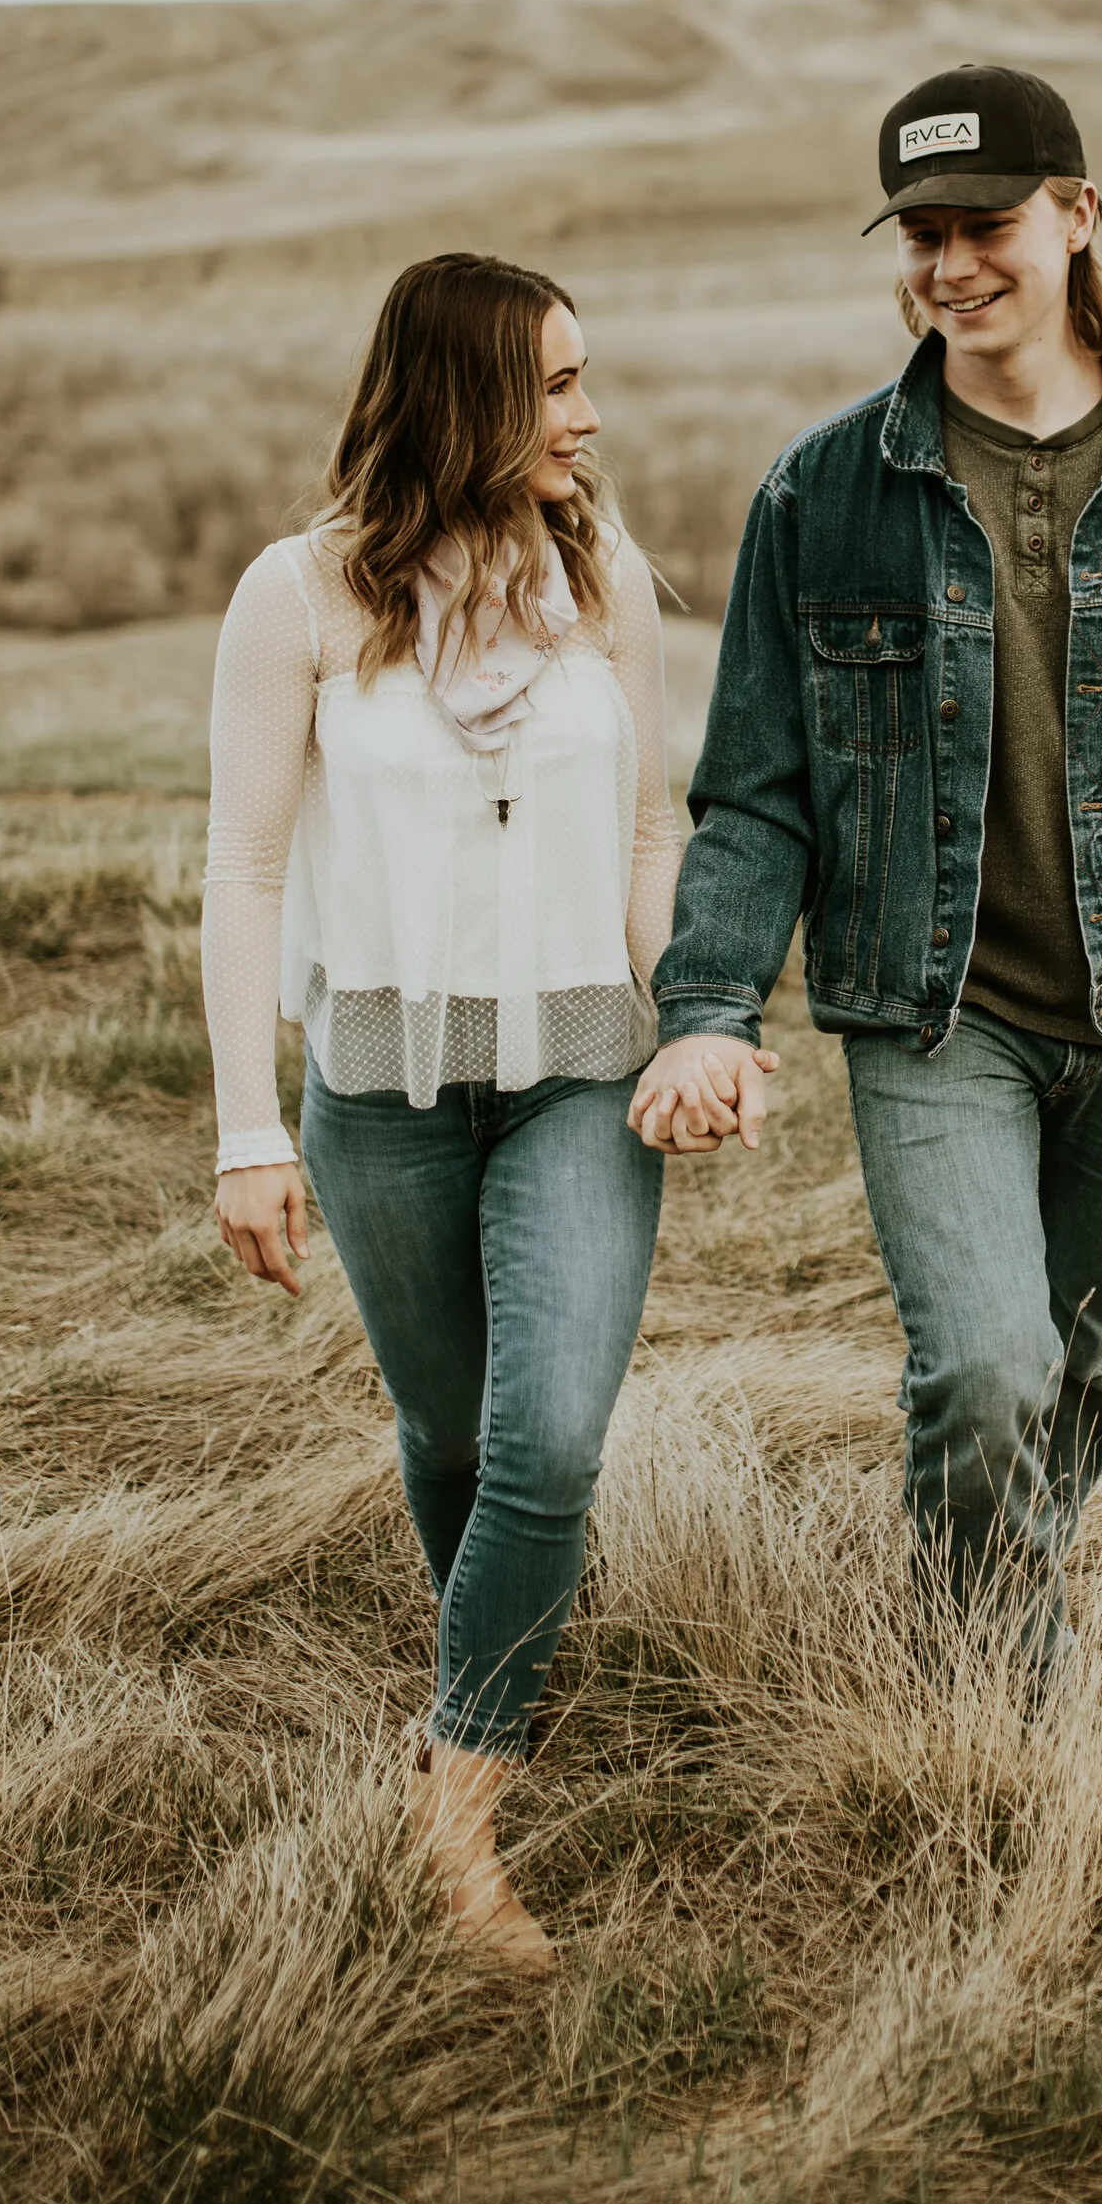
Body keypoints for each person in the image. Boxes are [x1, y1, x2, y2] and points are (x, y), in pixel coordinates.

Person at [627, 64, 1102, 1676]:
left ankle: (991, 1598)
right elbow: (758, 791)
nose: (951, 267)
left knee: (1073, 1357)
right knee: (989, 1366)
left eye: (984, 226)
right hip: (933, 1015)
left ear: (1078, 220)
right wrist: (711, 1004)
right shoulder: (824, 491)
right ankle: (999, 1684)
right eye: (923, 233)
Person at [203, 252, 681, 1974]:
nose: (589, 415)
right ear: (469, 396)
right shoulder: (304, 597)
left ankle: (456, 1817)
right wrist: (247, 1129)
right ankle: (511, 1667)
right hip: (378, 1096)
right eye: (556, 385)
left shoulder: (604, 578)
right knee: (462, 1443)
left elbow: (648, 834)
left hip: (579, 1071)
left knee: (548, 1440)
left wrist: (694, 1024)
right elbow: (246, 865)